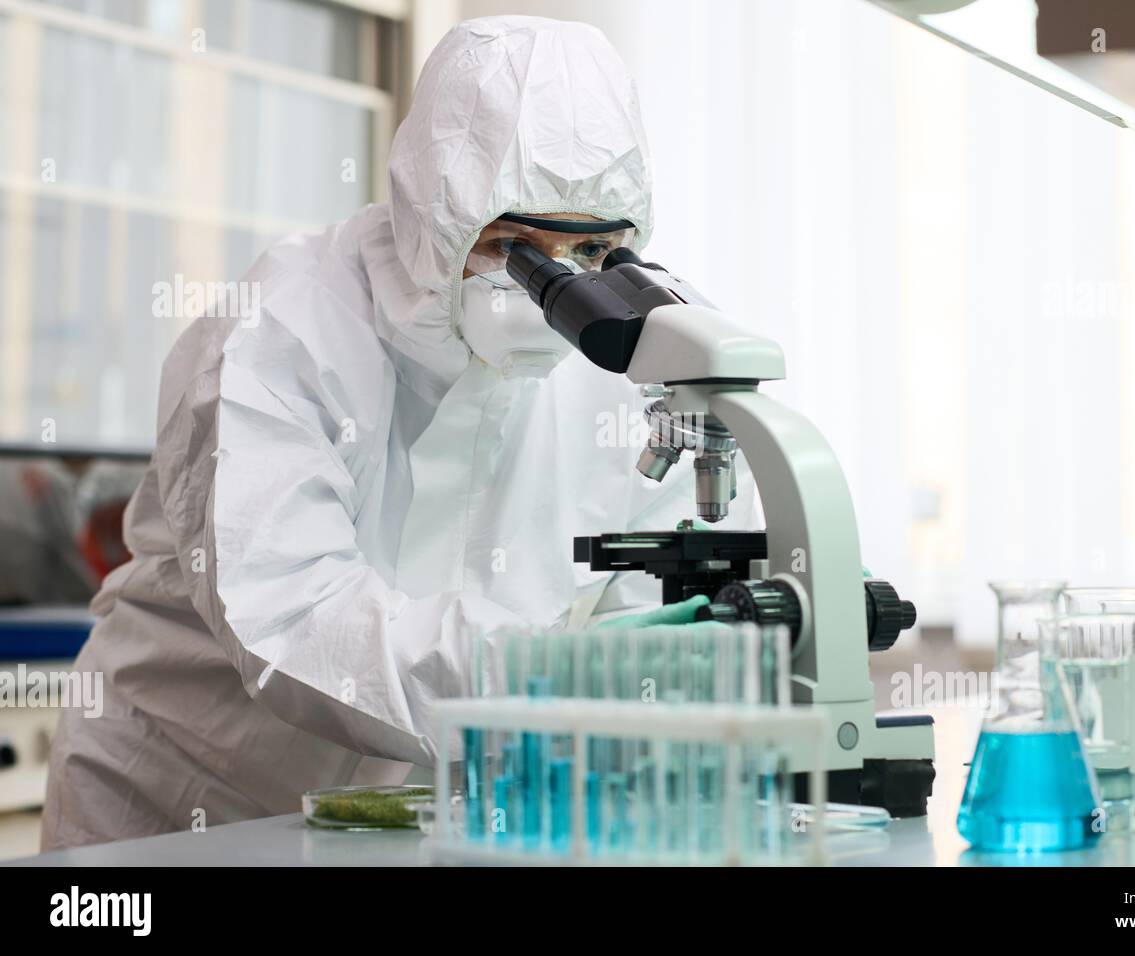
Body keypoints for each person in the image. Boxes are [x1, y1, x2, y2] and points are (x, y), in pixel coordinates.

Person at [39, 15, 758, 849]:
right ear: (439, 211)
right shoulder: (284, 327)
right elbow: (295, 621)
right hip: (188, 799)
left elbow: (660, 583)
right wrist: (550, 675)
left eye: (595, 250)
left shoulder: (633, 358)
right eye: (517, 247)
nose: (558, 288)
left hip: (423, 814)